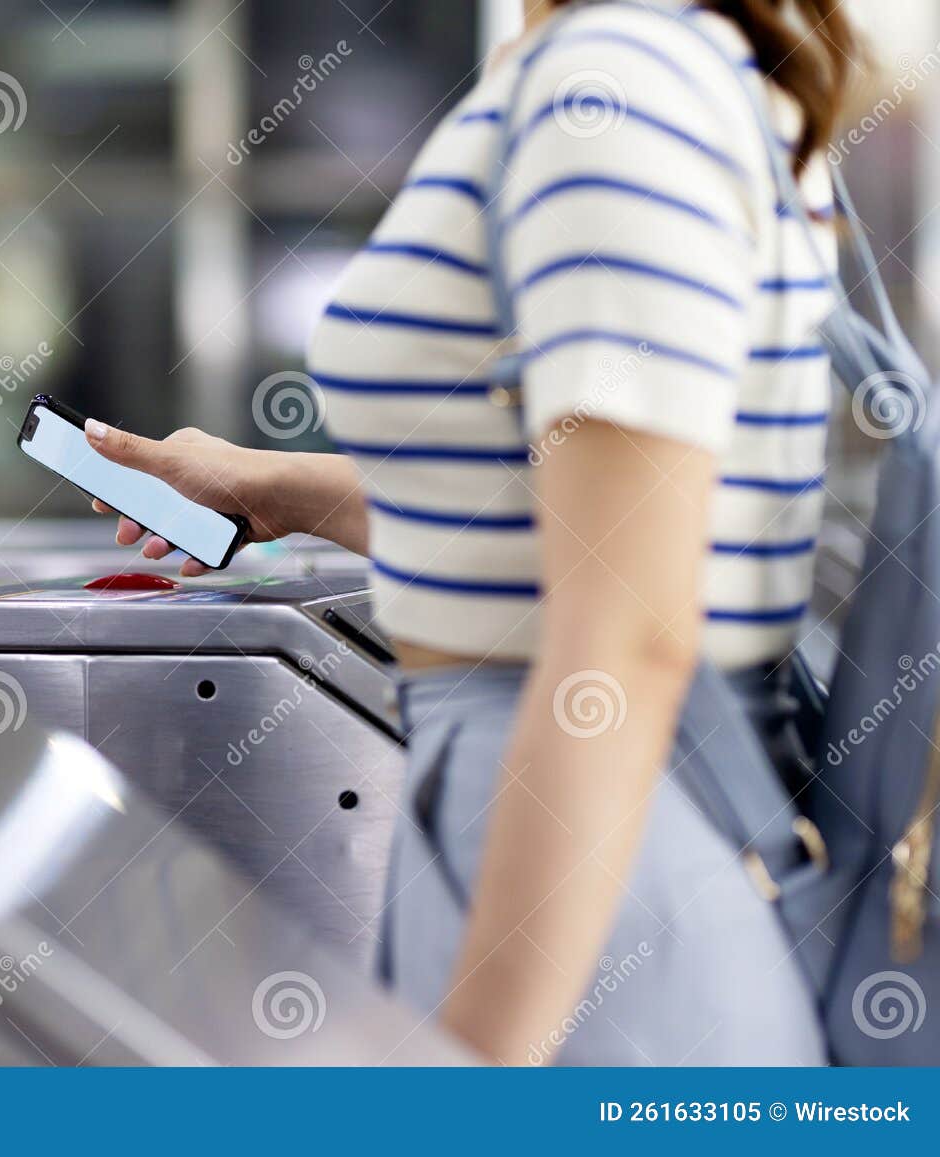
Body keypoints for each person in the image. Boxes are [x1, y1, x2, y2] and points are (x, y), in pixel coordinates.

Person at [82, 0, 861, 1064]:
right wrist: (285, 489)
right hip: (586, 849)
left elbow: (628, 630)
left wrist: (477, 1065)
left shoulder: (611, 81)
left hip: (597, 892)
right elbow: (580, 532)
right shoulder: (648, 63)